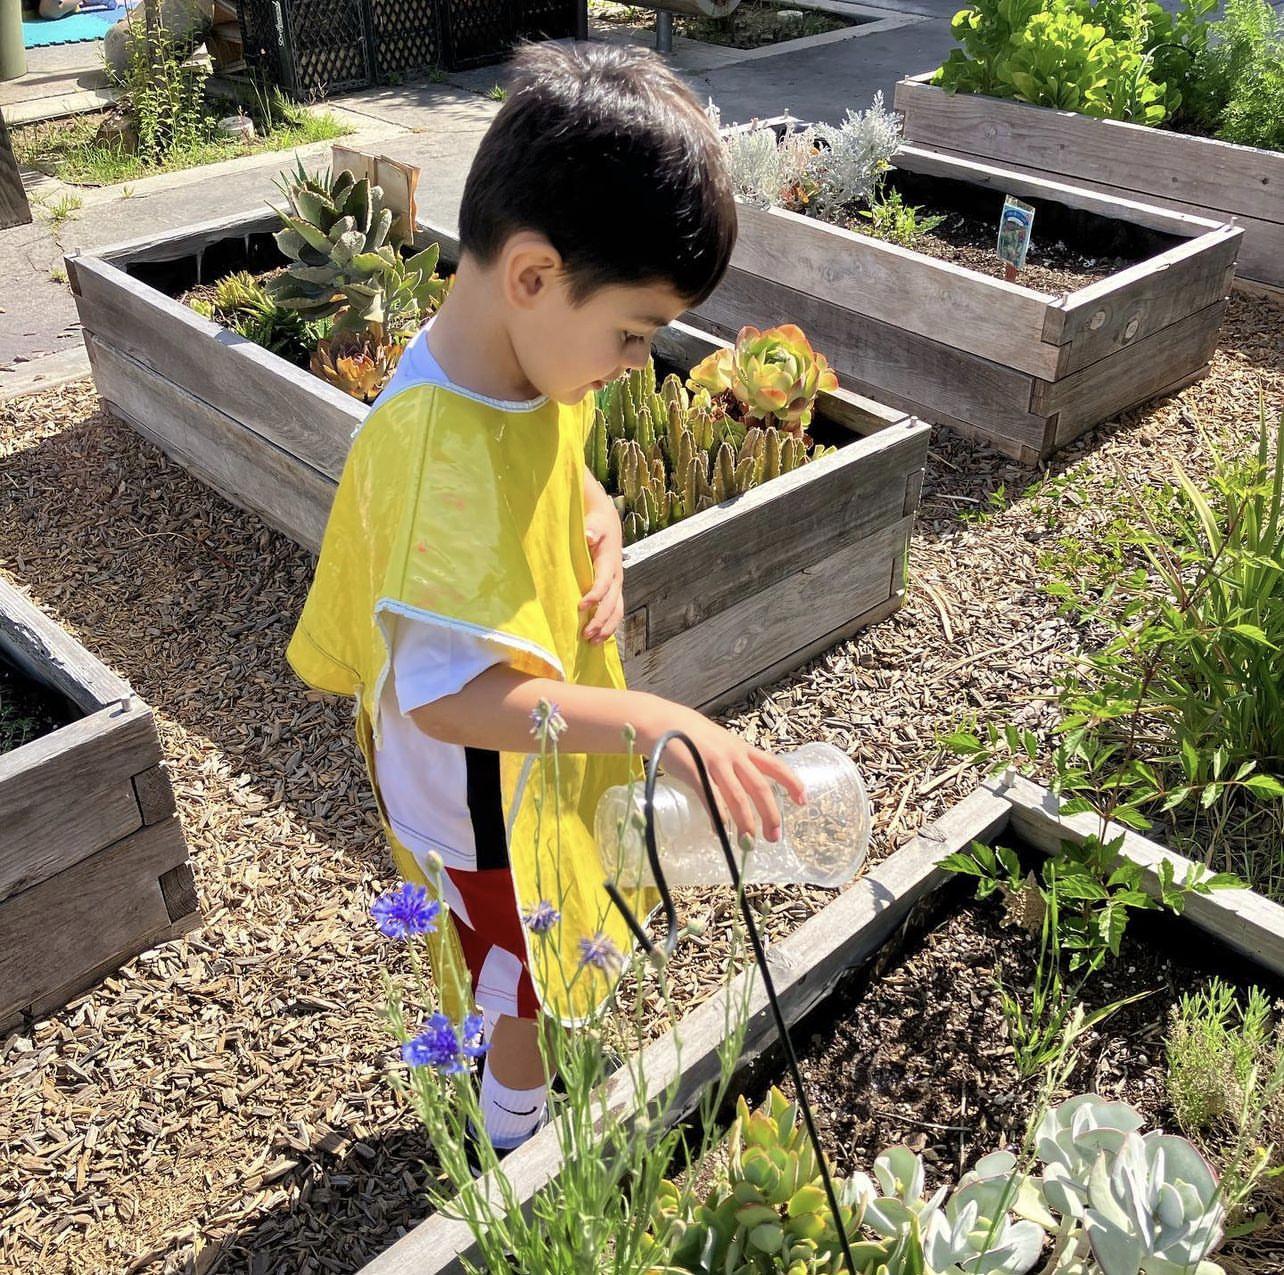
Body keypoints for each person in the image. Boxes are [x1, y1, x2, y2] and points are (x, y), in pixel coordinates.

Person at [286, 40, 806, 1157]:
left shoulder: (518, 364)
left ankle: (528, 1076)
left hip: (534, 752)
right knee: (507, 966)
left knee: (554, 906)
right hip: (474, 792)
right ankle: (516, 1139)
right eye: (633, 332)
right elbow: (453, 700)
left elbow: (562, 466)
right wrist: (661, 723)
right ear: (531, 275)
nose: (637, 362)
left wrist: (600, 515)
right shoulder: (436, 449)